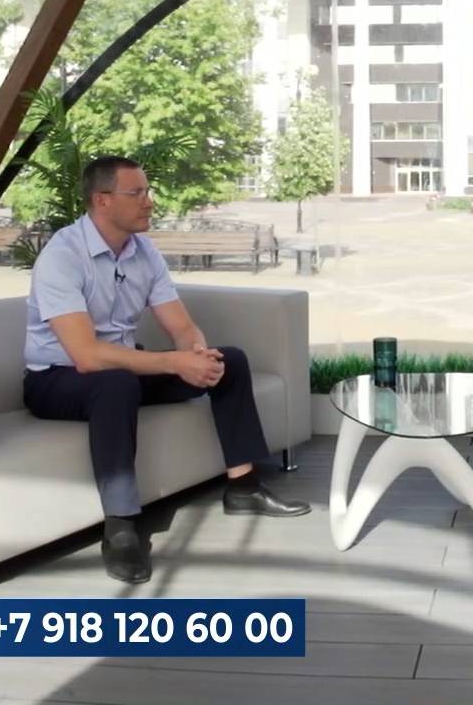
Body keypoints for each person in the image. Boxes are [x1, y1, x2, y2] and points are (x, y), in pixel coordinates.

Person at [24, 155, 309, 584]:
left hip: (120, 369)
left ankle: (243, 487)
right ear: (102, 200)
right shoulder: (62, 256)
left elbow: (180, 326)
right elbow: (86, 356)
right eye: (136, 193)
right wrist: (174, 362)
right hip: (56, 379)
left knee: (227, 361)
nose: (149, 201)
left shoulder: (144, 252)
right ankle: (121, 527)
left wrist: (196, 355)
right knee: (115, 384)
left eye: (147, 191)